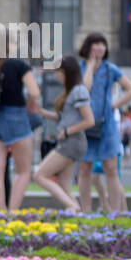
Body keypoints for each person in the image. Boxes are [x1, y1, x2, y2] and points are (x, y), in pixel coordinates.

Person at [0, 32, 41, 211]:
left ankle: (1, 210)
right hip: (17, 117)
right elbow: (34, 92)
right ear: (9, 45)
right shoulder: (19, 64)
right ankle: (12, 211)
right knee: (23, 171)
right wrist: (29, 101)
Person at [78, 34, 131, 213]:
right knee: (84, 168)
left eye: (103, 44)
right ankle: (86, 211)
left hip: (107, 125)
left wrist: (114, 105)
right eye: (96, 44)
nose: (100, 48)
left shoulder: (111, 69)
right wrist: (90, 67)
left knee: (111, 168)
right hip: (86, 124)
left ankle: (115, 212)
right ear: (88, 47)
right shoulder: (80, 68)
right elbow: (84, 90)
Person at [33, 56, 93, 211]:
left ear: (68, 72)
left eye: (58, 71)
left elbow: (89, 120)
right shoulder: (71, 91)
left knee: (39, 175)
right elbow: (63, 118)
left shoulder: (78, 91)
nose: (56, 75)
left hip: (71, 142)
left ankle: (72, 206)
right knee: (63, 184)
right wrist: (41, 112)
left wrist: (67, 132)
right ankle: (77, 214)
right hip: (70, 142)